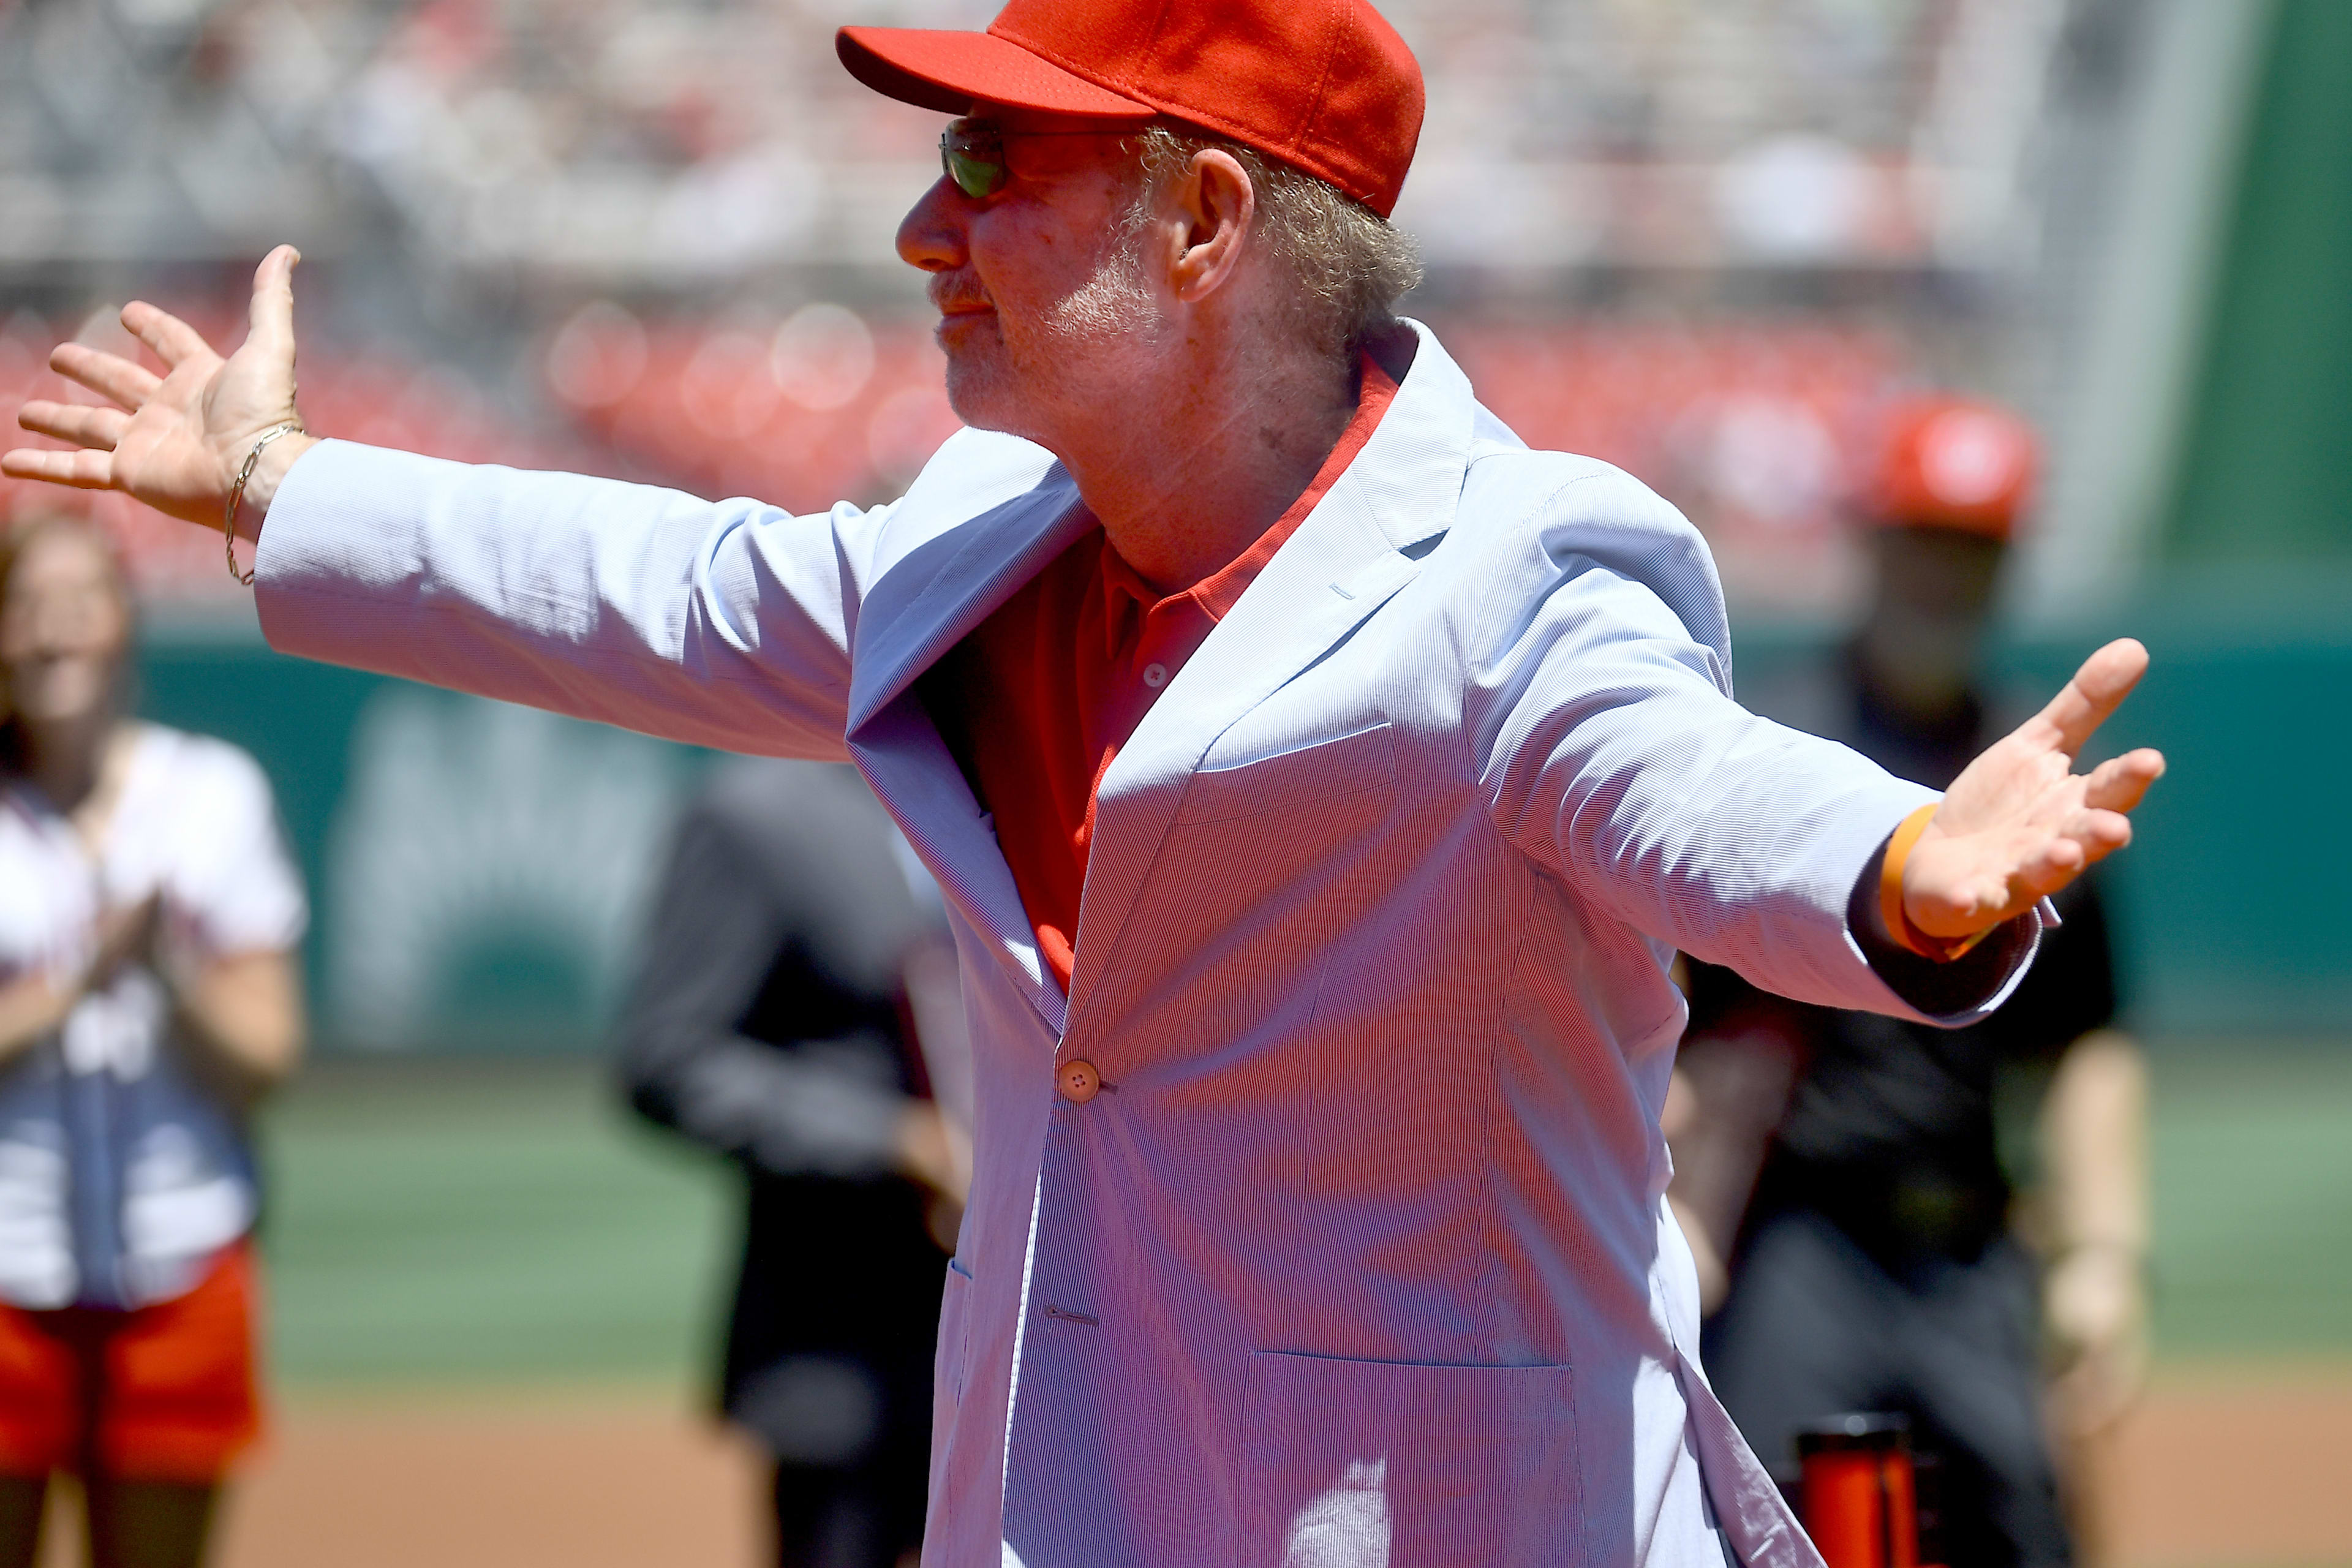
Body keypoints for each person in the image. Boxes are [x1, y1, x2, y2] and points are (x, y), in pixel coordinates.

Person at [4, 1, 2168, 1560]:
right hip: (1070, 1503)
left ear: (1205, 218)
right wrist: (275, 485)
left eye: (990, 165)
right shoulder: (987, 534)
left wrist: (1900, 865)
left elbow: (1676, 782)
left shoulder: (1516, 563)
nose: (923, 229)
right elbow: (663, 584)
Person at [1665, 399, 2149, 1568]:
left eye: (1973, 549)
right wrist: (1671, 1211)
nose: (1945, 577)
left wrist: (2105, 1256)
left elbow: (2084, 1040)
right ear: (1873, 543)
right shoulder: (1775, 743)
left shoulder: (2037, 778)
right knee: (1775, 1531)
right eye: (1926, 539)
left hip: (1969, 1244)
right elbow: (1667, 1005)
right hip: (1792, 1244)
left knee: (2025, 1529)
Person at [0, 516, 306, 1568]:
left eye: (81, 602)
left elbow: (268, 1055)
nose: (54, 632)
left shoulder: (208, 794)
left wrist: (169, 974)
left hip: (179, 1253)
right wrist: (70, 988)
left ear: (127, 623)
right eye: (26, 606)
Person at [616, 757, 970, 1568]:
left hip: (1019, 1328)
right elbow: (668, 1056)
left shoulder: (1002, 785)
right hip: (842, 1333)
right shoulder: (758, 816)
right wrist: (894, 1139)